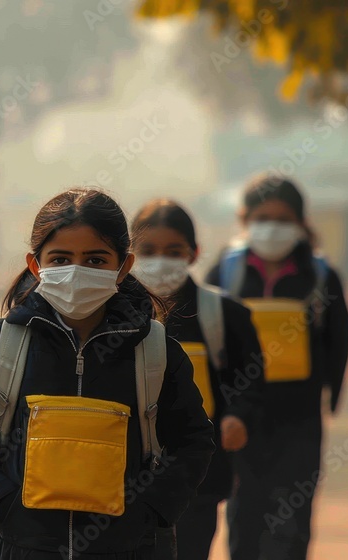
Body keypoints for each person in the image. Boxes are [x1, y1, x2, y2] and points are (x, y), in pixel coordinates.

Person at [0, 188, 216, 560]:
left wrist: (151, 511)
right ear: (36, 265)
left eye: (95, 260)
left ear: (124, 266)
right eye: (61, 259)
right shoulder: (2, 343)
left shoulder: (154, 349)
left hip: (128, 550)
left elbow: (193, 441)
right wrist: (0, 503)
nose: (76, 271)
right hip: (21, 548)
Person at [206, 175, 348, 560]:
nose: (273, 227)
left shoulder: (321, 276)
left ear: (302, 223)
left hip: (300, 419)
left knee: (293, 516)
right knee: (244, 513)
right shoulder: (226, 271)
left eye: (283, 219)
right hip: (240, 416)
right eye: (262, 216)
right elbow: (202, 332)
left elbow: (339, 339)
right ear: (244, 219)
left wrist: (333, 396)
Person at [130, 199, 266, 559]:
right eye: (148, 250)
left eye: (173, 251)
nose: (161, 260)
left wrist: (238, 415)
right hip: (125, 471)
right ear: (130, 253)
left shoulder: (224, 314)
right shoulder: (110, 315)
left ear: (194, 253)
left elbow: (249, 378)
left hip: (198, 474)